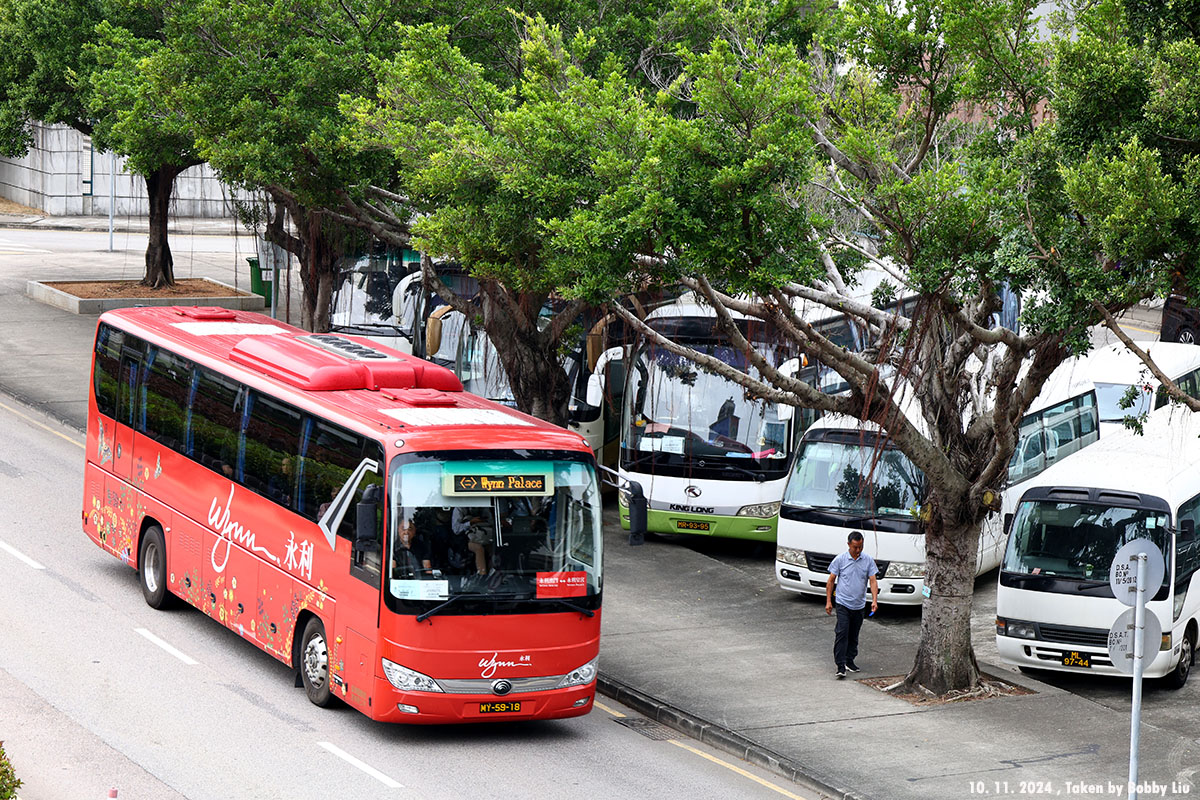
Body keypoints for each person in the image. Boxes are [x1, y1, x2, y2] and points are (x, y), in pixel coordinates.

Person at [825, 531, 879, 679]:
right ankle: (840, 665)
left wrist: (874, 600)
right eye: (855, 547)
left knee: (854, 635)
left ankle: (850, 660)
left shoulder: (867, 560)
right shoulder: (840, 560)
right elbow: (830, 581)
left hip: (859, 605)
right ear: (849, 544)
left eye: (860, 547)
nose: (858, 550)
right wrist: (829, 601)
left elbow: (873, 580)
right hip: (843, 603)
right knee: (842, 632)